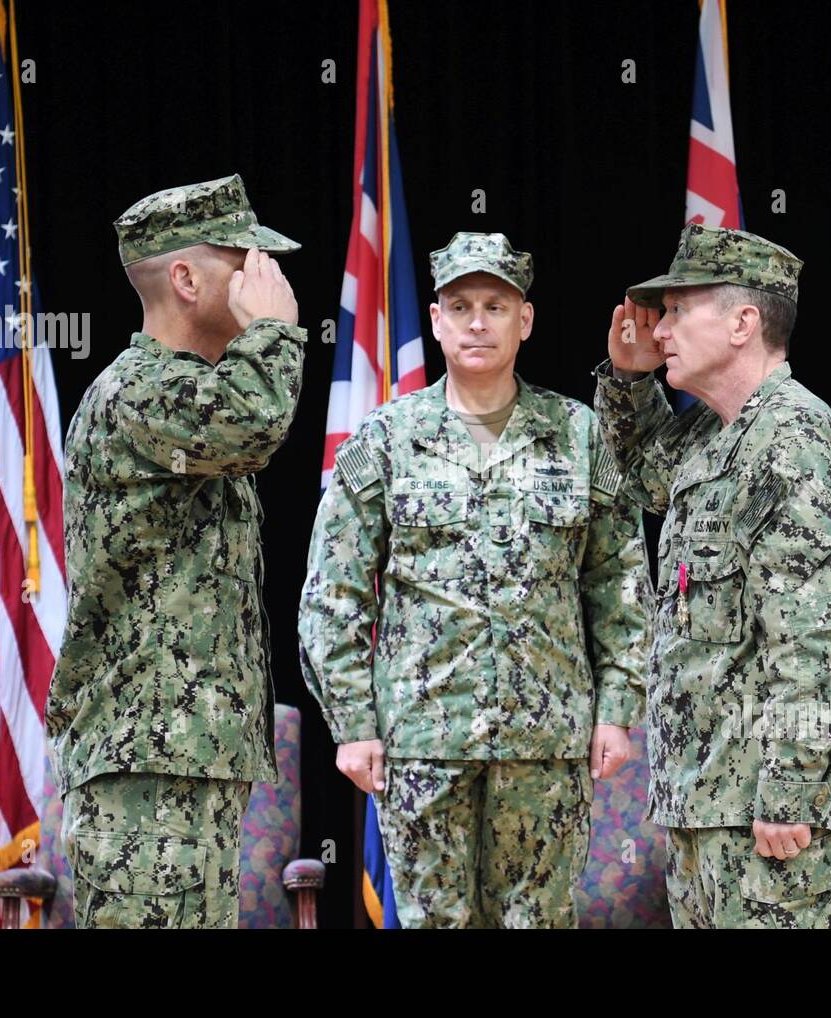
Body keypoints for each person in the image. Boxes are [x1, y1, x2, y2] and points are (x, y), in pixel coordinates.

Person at [299, 232, 652, 928]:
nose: (478, 322)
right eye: (460, 306)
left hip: (545, 742)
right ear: (435, 320)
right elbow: (332, 592)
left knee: (540, 921)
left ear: (525, 320)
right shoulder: (385, 439)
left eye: (495, 305)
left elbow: (619, 584)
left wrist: (616, 708)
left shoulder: (580, 436)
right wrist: (353, 723)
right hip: (423, 741)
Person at [594, 222, 831, 929]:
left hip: (770, 813)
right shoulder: (716, 434)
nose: (660, 327)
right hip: (708, 801)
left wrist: (789, 789)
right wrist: (630, 379)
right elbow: (640, 476)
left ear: (743, 322)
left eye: (679, 309)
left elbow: (823, 647)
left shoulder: (793, 444)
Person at [46, 173, 305, 928]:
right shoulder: (141, 394)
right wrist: (276, 331)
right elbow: (258, 422)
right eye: (246, 261)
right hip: (145, 763)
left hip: (183, 759)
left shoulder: (188, 393)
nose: (268, 278)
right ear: (187, 279)